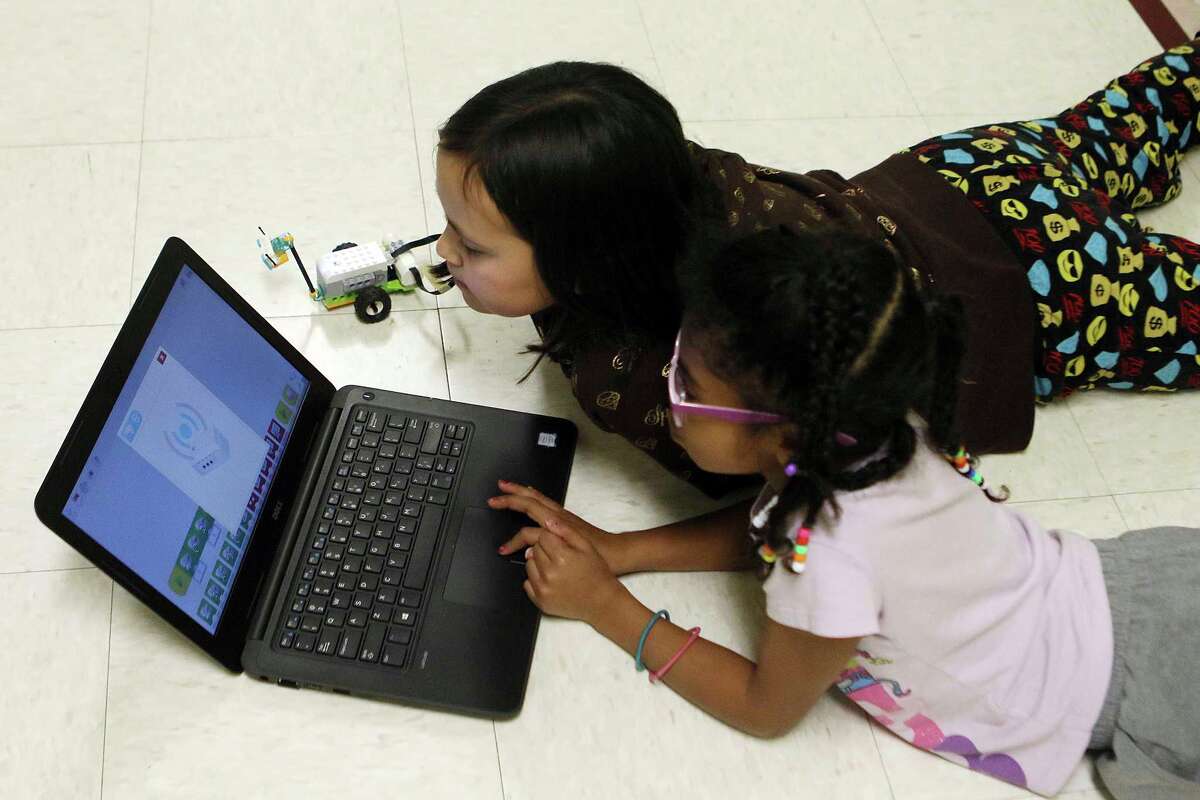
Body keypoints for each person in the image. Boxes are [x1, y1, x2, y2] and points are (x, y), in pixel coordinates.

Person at [486, 226, 1200, 799]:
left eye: (686, 382)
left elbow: (766, 708)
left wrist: (608, 606)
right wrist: (624, 549)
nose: (669, 394)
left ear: (782, 429)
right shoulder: (873, 428)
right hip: (1135, 588)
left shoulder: (829, 561)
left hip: (1152, 695)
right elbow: (771, 519)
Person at [433, 37, 1200, 501]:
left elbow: (796, 503)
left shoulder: (684, 360)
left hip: (1047, 286)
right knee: (1129, 113)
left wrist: (623, 559)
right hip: (962, 174)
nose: (443, 253)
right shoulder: (659, 179)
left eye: (471, 246)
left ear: (589, 257)